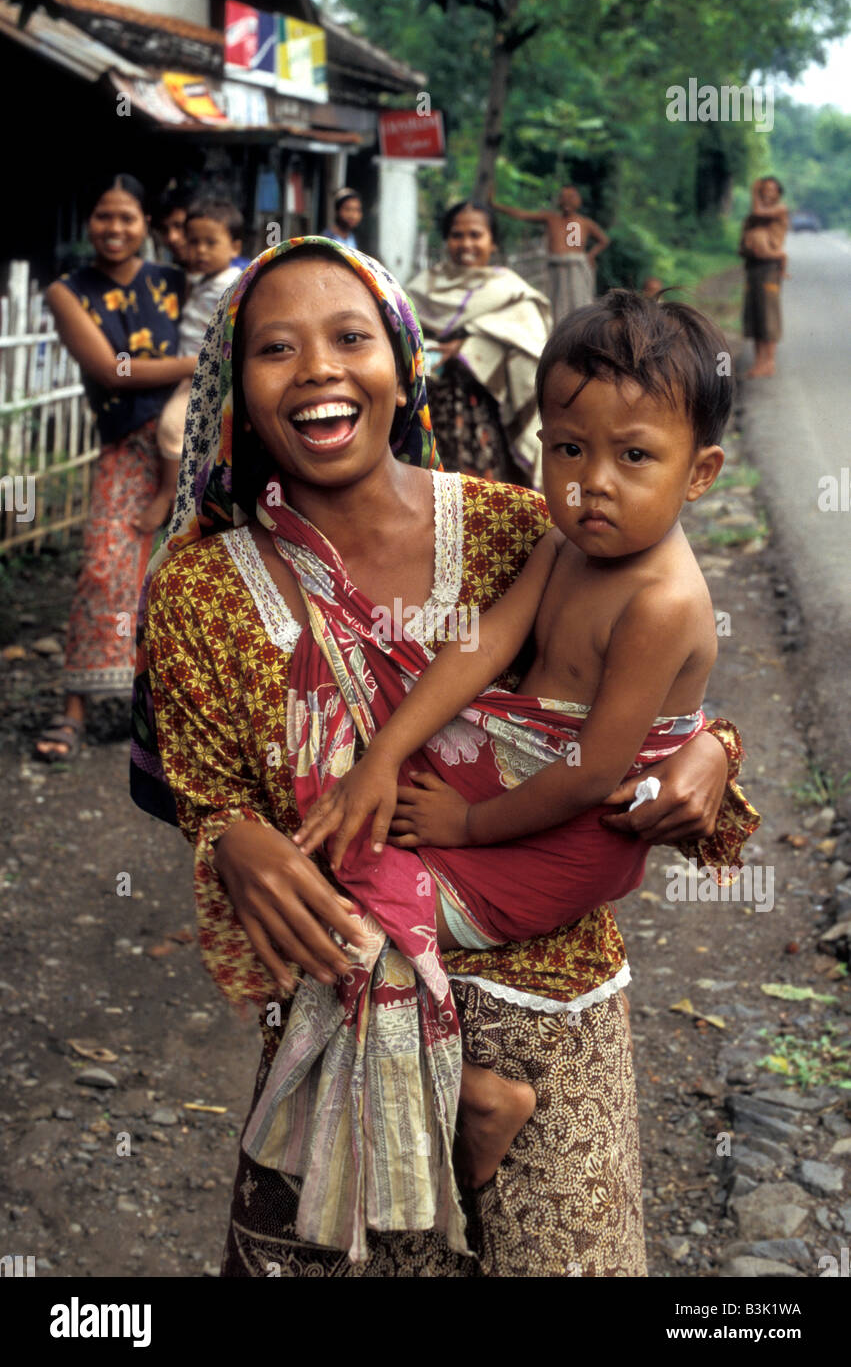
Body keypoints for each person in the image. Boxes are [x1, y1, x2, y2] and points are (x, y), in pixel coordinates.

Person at [131, 235, 756, 1277]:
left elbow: (644, 700)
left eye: (349, 337)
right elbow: (206, 794)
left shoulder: (520, 524)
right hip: (348, 1014)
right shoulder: (197, 589)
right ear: (236, 385)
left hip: (549, 1011)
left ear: (401, 361)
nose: (320, 368)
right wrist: (230, 836)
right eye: (276, 348)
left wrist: (717, 752)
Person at [294, 289, 754, 1194]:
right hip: (517, 791)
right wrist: (384, 754)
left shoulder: (660, 602)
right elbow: (483, 647)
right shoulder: (562, 542)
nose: (593, 484)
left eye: (634, 457)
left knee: (340, 908)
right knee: (335, 827)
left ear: (699, 474)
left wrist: (467, 826)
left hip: (568, 840)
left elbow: (590, 775)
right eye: (569, 450)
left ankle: (478, 1099)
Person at [35, 174, 196, 762]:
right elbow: (112, 371)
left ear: (146, 226)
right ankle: (75, 708)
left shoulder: (175, 281)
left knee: (189, 574)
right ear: (89, 223)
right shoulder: (67, 291)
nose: (114, 228)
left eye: (127, 217)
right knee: (104, 567)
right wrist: (203, 359)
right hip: (126, 444)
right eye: (104, 216)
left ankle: (173, 711)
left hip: (191, 435)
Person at [408, 200, 552, 486]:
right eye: (457, 235)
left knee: (482, 496)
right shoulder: (422, 287)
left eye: (476, 235)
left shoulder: (511, 292)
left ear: (493, 242)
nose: (466, 244)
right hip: (427, 413)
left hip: (486, 414)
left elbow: (533, 349)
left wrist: (470, 347)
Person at [138, 199, 244, 532]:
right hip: (188, 372)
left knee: (171, 426)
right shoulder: (201, 281)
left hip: (206, 374)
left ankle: (167, 495)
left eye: (210, 243)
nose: (199, 250)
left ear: (235, 246)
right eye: (193, 241)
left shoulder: (233, 284)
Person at [491, 185, 610, 321]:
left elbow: (603, 240)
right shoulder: (551, 218)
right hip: (555, 268)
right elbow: (523, 214)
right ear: (559, 201)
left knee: (580, 303)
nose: (567, 201)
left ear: (578, 201)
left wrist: (590, 255)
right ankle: (558, 335)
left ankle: (581, 334)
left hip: (576, 268)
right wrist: (496, 206)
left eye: (571, 197)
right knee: (557, 306)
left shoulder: (584, 223)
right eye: (563, 197)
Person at [740, 176, 788, 379]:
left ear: (778, 193)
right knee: (755, 315)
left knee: (768, 316)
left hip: (769, 268)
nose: (767, 193)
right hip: (754, 267)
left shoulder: (780, 209)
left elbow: (758, 212)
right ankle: (759, 362)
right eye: (764, 190)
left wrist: (753, 191)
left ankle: (769, 362)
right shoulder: (754, 217)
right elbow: (744, 240)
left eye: (771, 190)